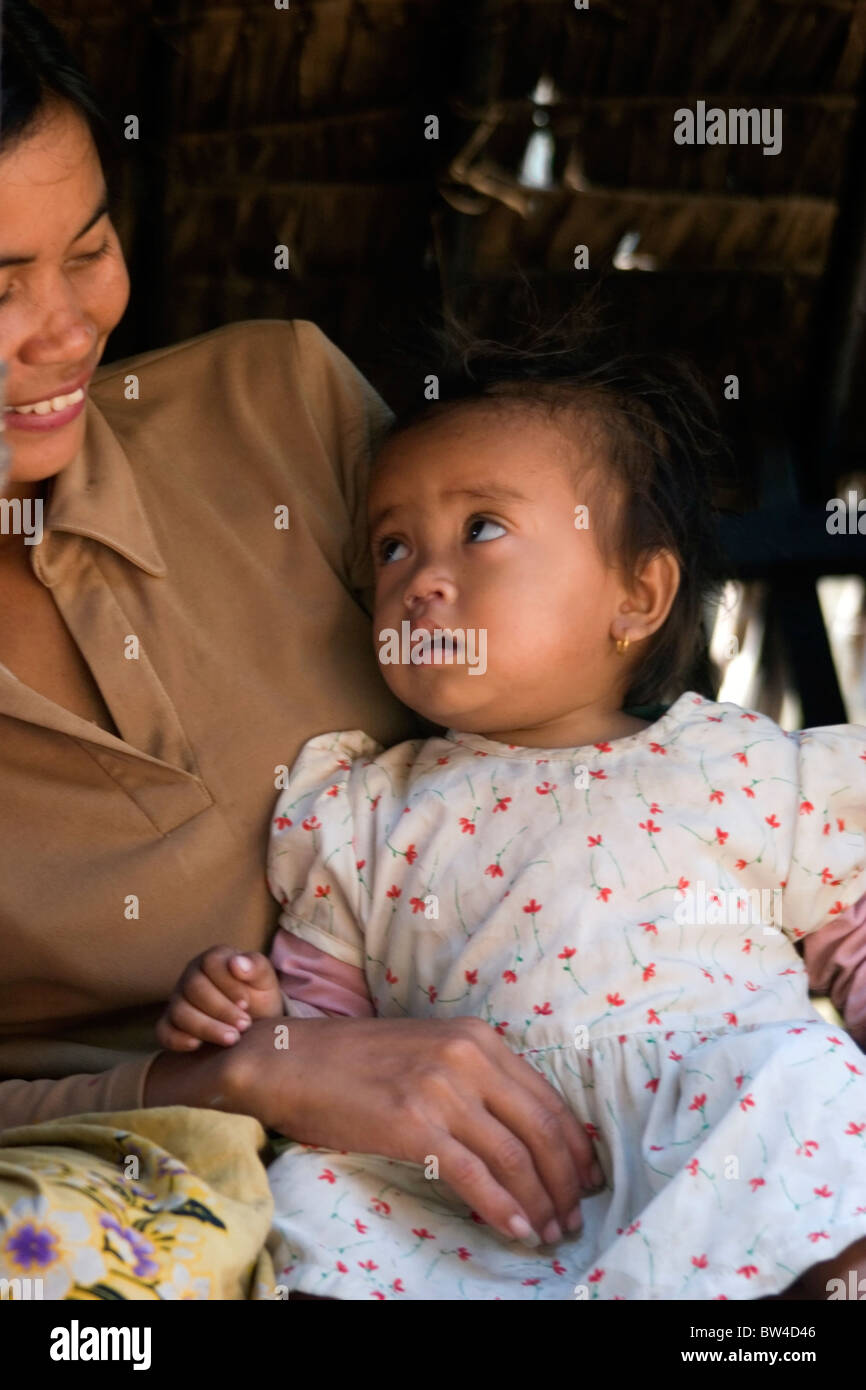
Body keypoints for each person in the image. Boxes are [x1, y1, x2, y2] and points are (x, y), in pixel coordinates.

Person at [0, 0, 601, 1299]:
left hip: (548, 1070)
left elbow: (572, 718)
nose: (63, 328)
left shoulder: (279, 408)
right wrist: (233, 1070)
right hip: (139, 1198)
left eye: (89, 248)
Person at [160, 331, 866, 1300]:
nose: (421, 577)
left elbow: (853, 942)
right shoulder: (362, 811)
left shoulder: (737, 767)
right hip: (472, 1200)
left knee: (810, 1092)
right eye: (391, 545)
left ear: (637, 593)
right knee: (314, 1210)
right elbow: (327, 1042)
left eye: (480, 528)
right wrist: (250, 1019)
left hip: (718, 1143)